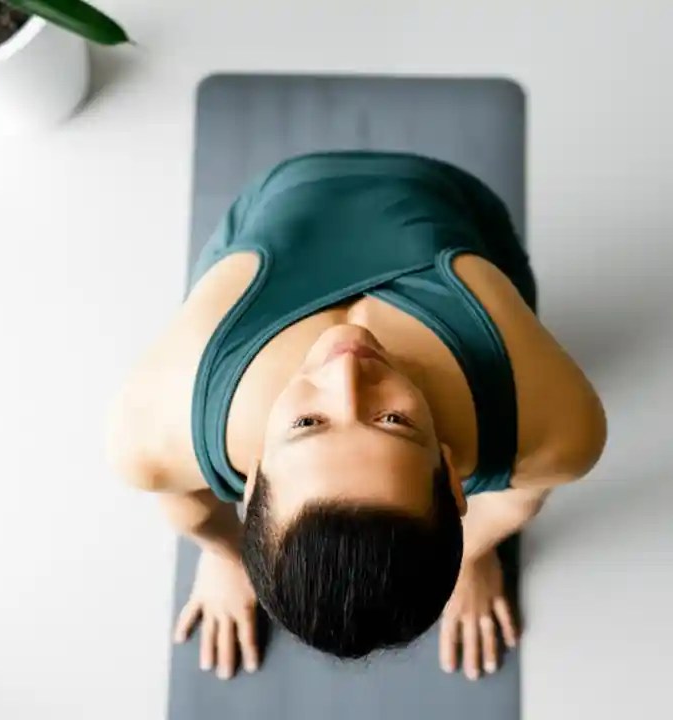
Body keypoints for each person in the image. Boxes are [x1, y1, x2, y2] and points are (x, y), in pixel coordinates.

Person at [109, 151, 606, 681]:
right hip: (442, 202)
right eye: (393, 421)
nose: (346, 372)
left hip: (308, 187)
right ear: (453, 479)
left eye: (307, 425)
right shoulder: (552, 422)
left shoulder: (159, 427)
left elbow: (517, 503)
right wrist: (228, 559)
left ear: (252, 483)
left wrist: (473, 557)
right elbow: (519, 495)